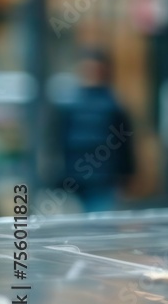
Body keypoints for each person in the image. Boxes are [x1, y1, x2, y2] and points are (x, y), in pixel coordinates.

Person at [55, 49, 136, 212]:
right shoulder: (68, 104)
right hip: (76, 179)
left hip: (103, 179)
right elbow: (58, 141)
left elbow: (124, 143)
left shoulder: (114, 105)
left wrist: (126, 174)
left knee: (98, 225)